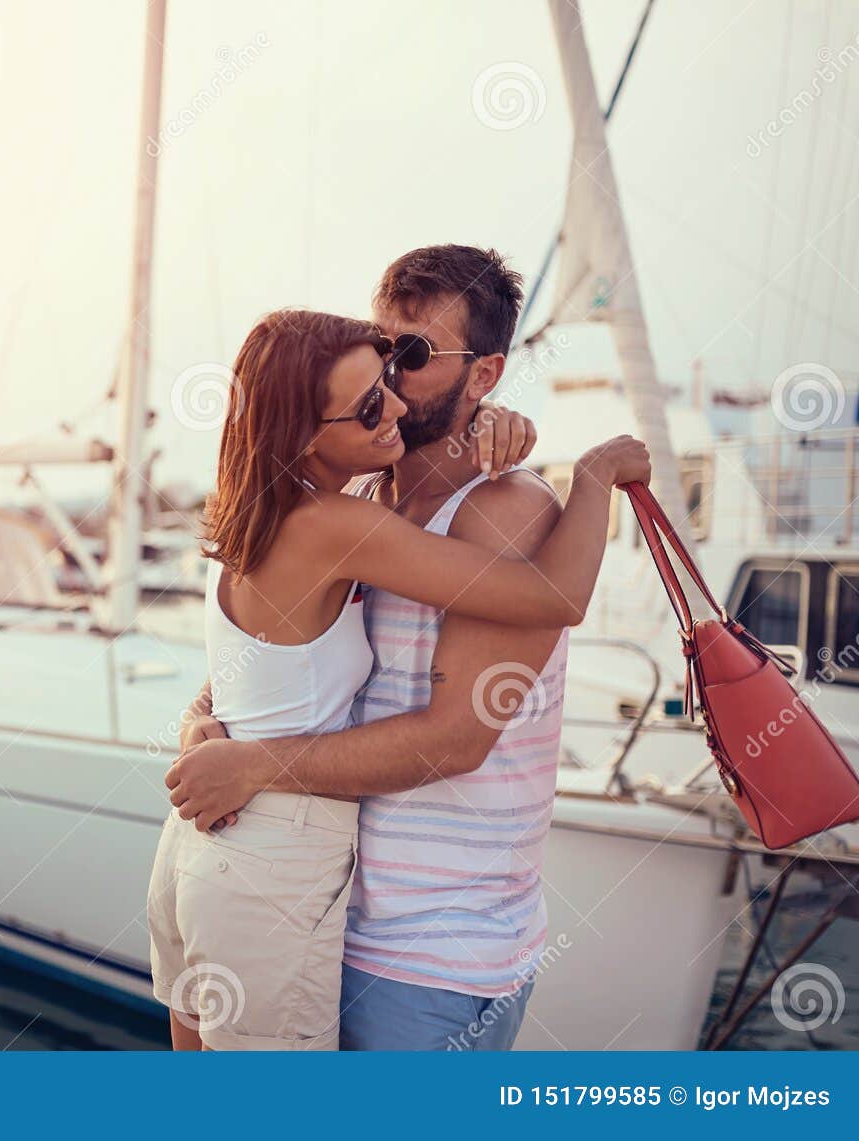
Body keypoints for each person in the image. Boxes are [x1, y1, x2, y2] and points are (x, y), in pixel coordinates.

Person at [148, 249, 650, 1051]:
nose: (386, 382)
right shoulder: (348, 503)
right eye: (379, 350)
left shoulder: (504, 510)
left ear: (484, 374)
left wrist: (590, 476)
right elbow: (245, 673)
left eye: (409, 356)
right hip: (318, 911)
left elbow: (458, 737)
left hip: (426, 956)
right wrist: (199, 728)